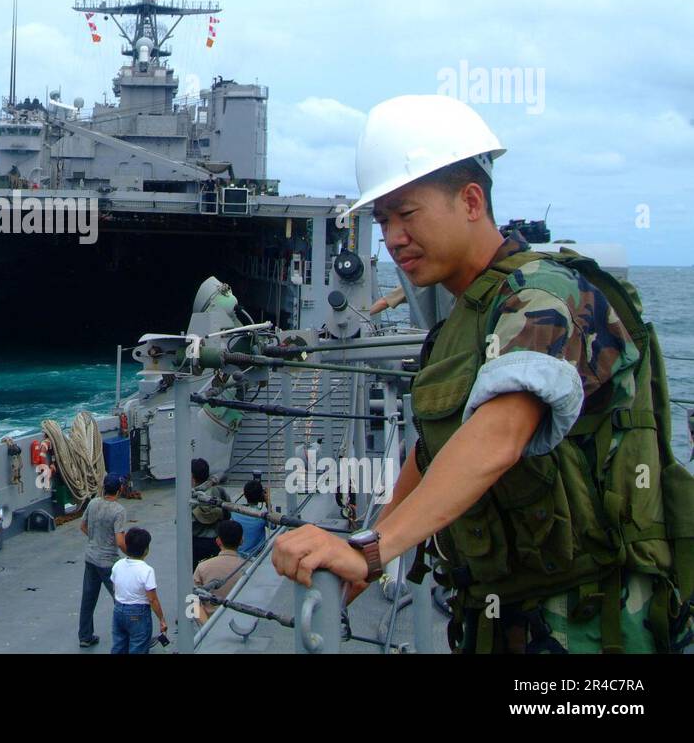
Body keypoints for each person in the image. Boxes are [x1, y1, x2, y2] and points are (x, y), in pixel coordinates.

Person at [271, 94, 694, 654]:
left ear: (471, 201)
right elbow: (435, 452)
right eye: (383, 220)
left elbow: (499, 435)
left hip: (593, 625)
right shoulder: (462, 321)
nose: (394, 237)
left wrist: (374, 549)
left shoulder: (544, 295)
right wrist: (370, 554)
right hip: (503, 620)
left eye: (407, 213)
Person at [77, 473, 127, 648]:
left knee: (88, 599)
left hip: (90, 557)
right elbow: (120, 541)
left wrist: (94, 540)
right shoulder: (118, 510)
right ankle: (131, 636)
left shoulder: (93, 503)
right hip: (108, 563)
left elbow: (83, 526)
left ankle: (85, 636)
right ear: (120, 489)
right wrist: (133, 555)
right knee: (122, 599)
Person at [110, 526, 167, 653]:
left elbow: (115, 589)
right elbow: (152, 599)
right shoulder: (146, 570)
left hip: (119, 610)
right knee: (138, 647)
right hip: (138, 613)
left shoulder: (117, 565)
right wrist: (161, 619)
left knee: (118, 646)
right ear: (146, 550)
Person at [192, 519, 247, 622]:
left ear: (218, 541)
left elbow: (192, 603)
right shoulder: (249, 567)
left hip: (209, 623)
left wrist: (205, 626)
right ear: (241, 541)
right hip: (240, 622)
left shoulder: (202, 567)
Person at [190, 458, 229, 568]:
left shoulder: (191, 497)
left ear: (192, 477)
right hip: (216, 541)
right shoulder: (219, 491)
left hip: (196, 542)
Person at [233, 479, 268, 557]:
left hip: (237, 555)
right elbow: (273, 525)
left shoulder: (234, 513)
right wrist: (268, 502)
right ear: (261, 496)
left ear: (244, 495)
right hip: (255, 557)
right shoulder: (262, 516)